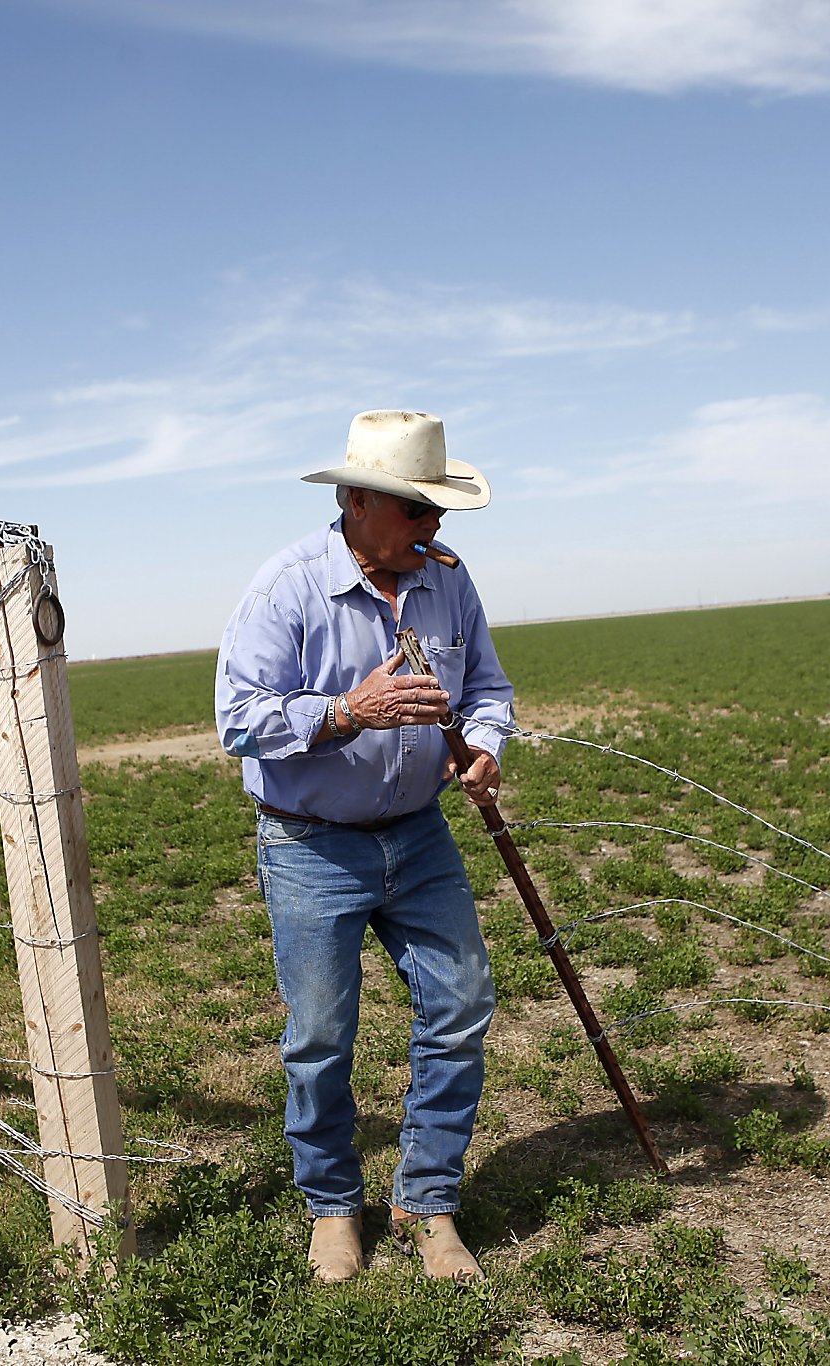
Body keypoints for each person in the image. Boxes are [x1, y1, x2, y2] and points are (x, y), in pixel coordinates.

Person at [215, 409, 515, 1284]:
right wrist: (350, 711)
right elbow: (238, 720)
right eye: (416, 511)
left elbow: (488, 686)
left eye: (438, 513)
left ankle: (428, 1203)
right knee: (320, 1036)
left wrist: (489, 741)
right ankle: (332, 1210)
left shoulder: (447, 581)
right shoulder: (285, 589)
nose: (432, 528)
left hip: (419, 836)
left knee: (459, 1008)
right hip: (312, 846)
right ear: (354, 501)